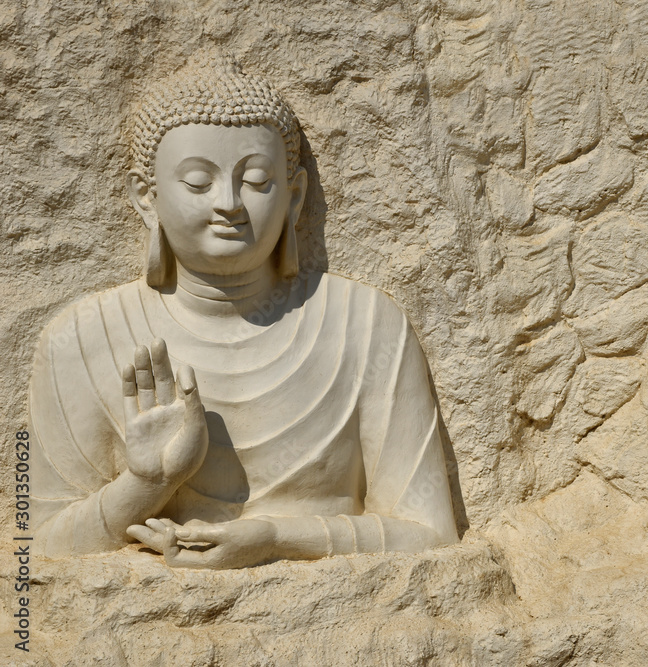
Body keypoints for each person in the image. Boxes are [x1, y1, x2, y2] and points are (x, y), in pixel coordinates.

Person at [29, 56, 458, 568]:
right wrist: (148, 483)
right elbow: (35, 549)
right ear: (147, 199)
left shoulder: (367, 323)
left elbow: (429, 533)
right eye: (197, 182)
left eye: (256, 181)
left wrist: (277, 538)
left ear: (294, 197)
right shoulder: (78, 339)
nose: (229, 202)